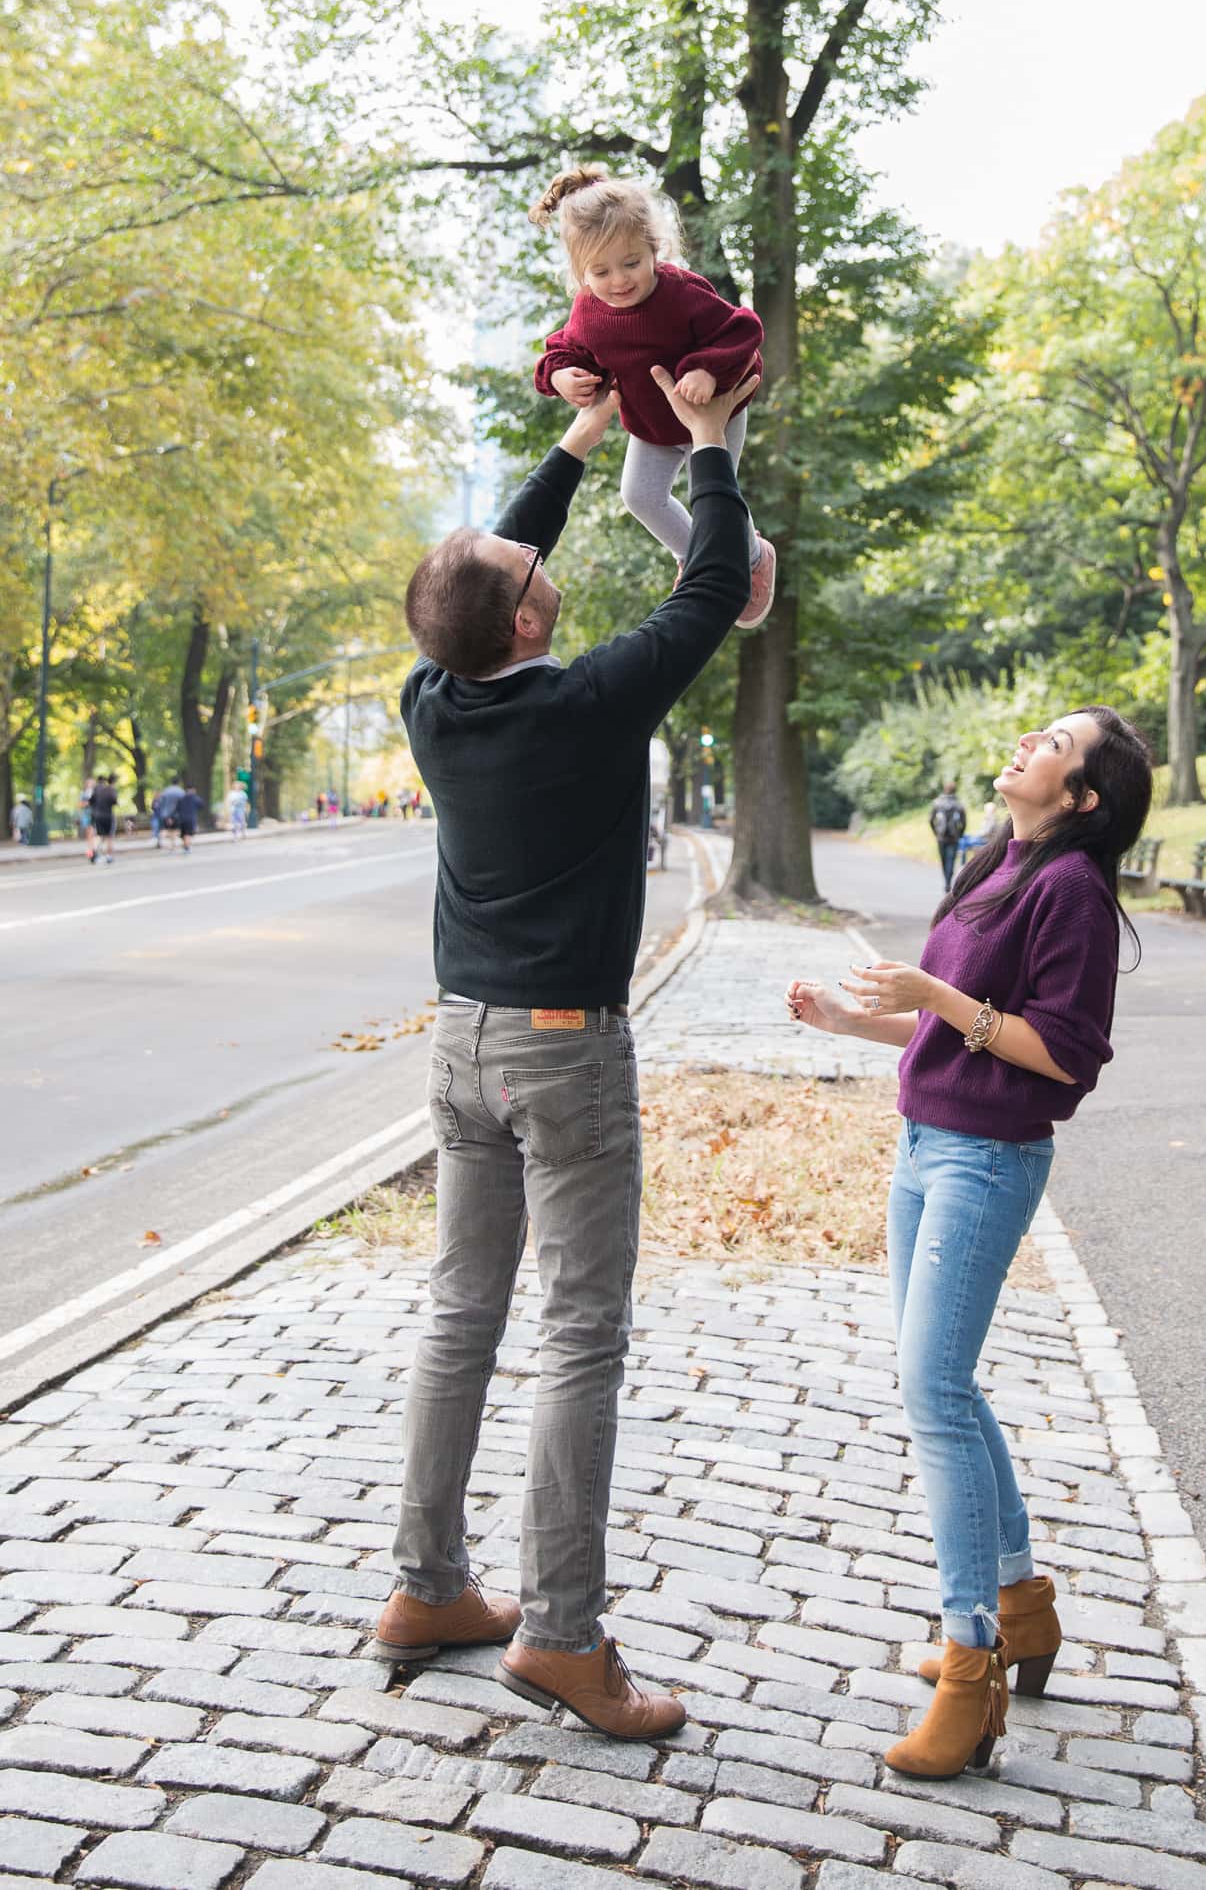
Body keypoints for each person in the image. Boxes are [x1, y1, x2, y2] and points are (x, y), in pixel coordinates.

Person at [374, 367, 755, 1741]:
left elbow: (480, 579)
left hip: (458, 1047)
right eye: (525, 572)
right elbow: (710, 590)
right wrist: (707, 446)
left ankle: (424, 1589)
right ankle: (560, 1635)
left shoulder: (435, 698)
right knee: (578, 1333)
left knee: (458, 1317)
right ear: (532, 614)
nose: (531, 568)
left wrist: (580, 437)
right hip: (563, 1056)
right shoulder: (589, 705)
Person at [785, 705, 1154, 1780]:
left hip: (985, 1159)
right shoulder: (1000, 858)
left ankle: (970, 1665)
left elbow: (1064, 1058)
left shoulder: (1071, 891)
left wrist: (936, 993)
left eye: (1052, 743)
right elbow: (955, 1026)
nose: (1026, 744)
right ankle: (1020, 1604)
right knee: (944, 1386)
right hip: (923, 1144)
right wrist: (852, 1023)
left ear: (1080, 797)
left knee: (933, 1393)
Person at [530, 166, 776, 631]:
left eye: (631, 264)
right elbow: (560, 349)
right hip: (653, 426)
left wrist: (704, 367)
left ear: (653, 250)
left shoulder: (681, 293)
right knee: (638, 495)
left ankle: (751, 557)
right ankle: (690, 554)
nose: (618, 281)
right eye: (599, 271)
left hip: (714, 414)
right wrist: (562, 376)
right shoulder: (588, 309)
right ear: (580, 272)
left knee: (713, 497)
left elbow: (743, 329)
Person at [929, 778, 967, 890]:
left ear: (944, 790)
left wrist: (935, 832)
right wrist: (960, 834)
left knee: (944, 859)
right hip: (954, 837)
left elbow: (931, 820)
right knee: (951, 859)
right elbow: (964, 822)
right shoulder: (959, 805)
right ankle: (948, 882)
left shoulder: (937, 803)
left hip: (941, 836)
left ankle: (946, 881)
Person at [86, 773, 119, 865]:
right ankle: (108, 856)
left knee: (99, 836)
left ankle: (94, 853)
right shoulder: (110, 789)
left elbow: (90, 801)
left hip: (97, 815)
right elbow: (115, 801)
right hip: (107, 815)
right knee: (109, 837)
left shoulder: (95, 790)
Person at [152, 777, 184, 848]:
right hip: (176, 814)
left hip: (165, 814)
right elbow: (183, 804)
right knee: (175, 829)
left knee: (166, 829)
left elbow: (159, 803)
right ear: (178, 783)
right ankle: (173, 844)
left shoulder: (166, 791)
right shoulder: (181, 791)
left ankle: (160, 841)